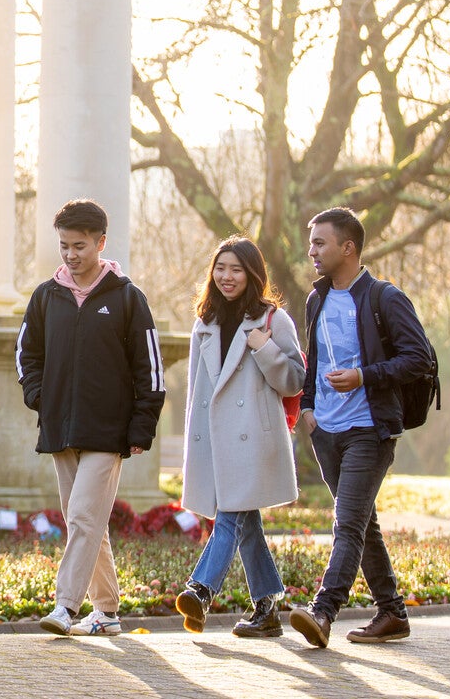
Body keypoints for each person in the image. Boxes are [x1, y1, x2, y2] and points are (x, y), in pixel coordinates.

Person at [17, 199, 166, 637]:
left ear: (101, 242)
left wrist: (142, 424)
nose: (70, 255)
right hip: (61, 426)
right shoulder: (47, 296)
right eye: (64, 245)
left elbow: (150, 368)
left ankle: (65, 606)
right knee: (85, 519)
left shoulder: (126, 298)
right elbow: (27, 353)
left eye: (79, 245)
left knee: (83, 515)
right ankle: (107, 611)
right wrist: (40, 397)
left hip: (108, 429)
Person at [288, 206, 435, 648]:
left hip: (370, 428)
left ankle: (323, 611)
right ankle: (391, 612)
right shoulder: (316, 299)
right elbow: (314, 362)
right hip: (326, 431)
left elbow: (419, 359)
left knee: (347, 523)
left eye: (320, 243)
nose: (311, 251)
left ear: (347, 248)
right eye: (311, 243)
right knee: (362, 523)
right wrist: (309, 411)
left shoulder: (384, 298)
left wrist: (364, 376)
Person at [175, 236, 305, 637]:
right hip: (216, 439)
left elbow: (296, 380)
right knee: (246, 521)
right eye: (220, 268)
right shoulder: (205, 323)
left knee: (230, 515)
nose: (226, 277)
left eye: (236, 269)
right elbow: (198, 390)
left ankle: (201, 588)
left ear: (253, 275)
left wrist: (264, 348)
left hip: (253, 440)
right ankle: (267, 611)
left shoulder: (273, 320)